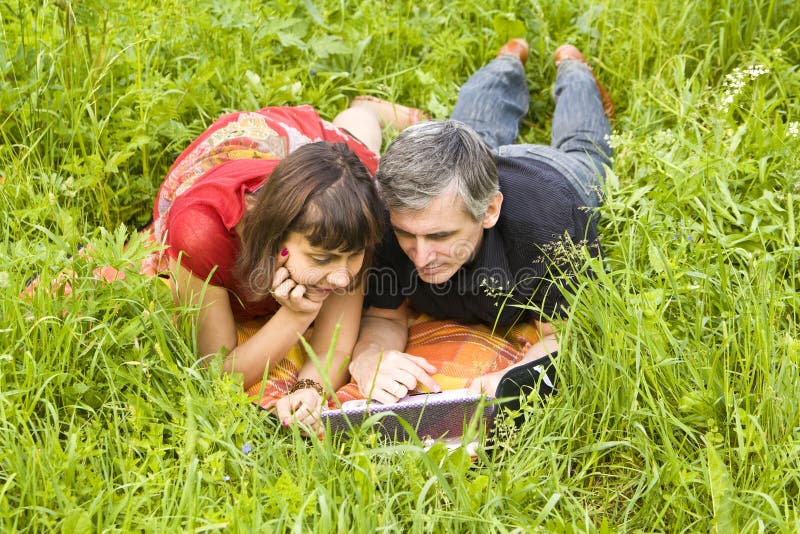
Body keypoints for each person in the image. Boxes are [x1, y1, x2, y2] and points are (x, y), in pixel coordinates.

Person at [342, 39, 614, 406]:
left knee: (585, 150)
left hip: (553, 174)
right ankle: (506, 62)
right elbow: (386, 317)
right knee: (470, 131)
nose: (421, 257)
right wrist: (370, 358)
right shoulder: (387, 215)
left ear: (489, 211)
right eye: (408, 235)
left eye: (440, 235)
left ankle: (574, 70)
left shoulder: (550, 224)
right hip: (466, 175)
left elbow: (563, 334)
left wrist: (511, 380)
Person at [142, 98, 428, 434]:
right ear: (277, 238)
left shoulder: (354, 219)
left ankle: (365, 114)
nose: (341, 277)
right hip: (249, 151)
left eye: (353, 256)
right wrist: (296, 316)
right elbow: (217, 374)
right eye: (321, 259)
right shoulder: (202, 233)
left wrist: (308, 390)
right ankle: (364, 114)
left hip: (311, 162)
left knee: (356, 146)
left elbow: (334, 347)